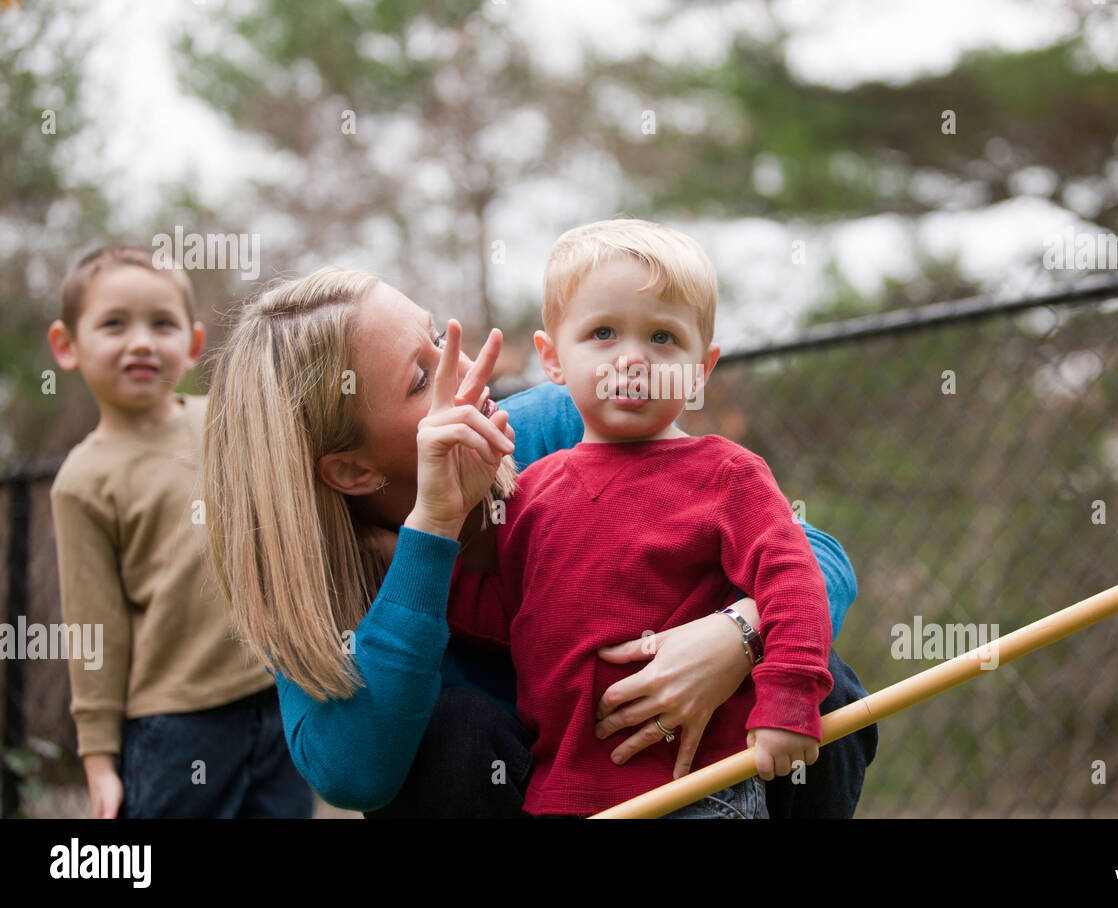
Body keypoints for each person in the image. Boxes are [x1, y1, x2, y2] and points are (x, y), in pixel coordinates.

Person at [203, 264, 877, 818]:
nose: (468, 369)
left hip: (687, 778)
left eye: (440, 337)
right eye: (421, 378)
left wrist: (736, 636)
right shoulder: (304, 585)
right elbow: (356, 775)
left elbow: (816, 558)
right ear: (353, 470)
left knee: (825, 684)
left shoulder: (561, 428)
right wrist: (432, 530)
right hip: (540, 795)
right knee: (452, 735)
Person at [447, 219, 833, 817]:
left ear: (701, 369)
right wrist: (415, 554)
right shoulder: (526, 494)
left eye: (662, 338)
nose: (632, 359)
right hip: (561, 796)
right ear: (552, 358)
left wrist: (789, 698)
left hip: (700, 789)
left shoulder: (727, 474)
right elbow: (511, 617)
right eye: (602, 333)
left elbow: (793, 579)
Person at [46, 245, 313, 818]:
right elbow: (93, 626)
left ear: (192, 344)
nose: (141, 341)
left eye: (161, 324)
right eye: (114, 324)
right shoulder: (82, 480)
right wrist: (98, 759)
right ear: (66, 346)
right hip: (177, 727)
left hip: (277, 695)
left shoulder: (224, 416)